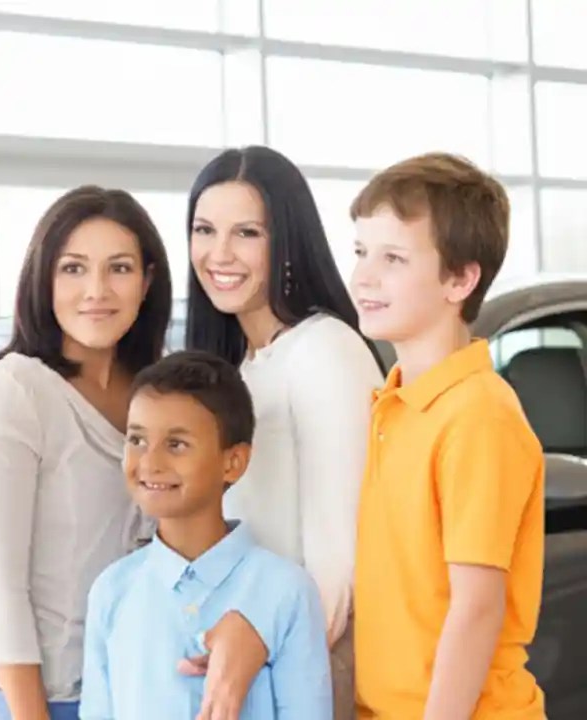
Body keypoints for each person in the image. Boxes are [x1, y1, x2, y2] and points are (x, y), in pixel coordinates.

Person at [179, 145, 384, 719]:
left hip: (299, 672)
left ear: (287, 242)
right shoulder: (235, 365)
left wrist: (261, 646)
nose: (219, 254)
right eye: (204, 229)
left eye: (247, 232)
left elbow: (339, 565)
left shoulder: (326, 350)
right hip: (239, 667)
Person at [0, 185, 173, 719]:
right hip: (26, 703)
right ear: (44, 279)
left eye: (119, 268)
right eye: (73, 269)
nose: (96, 290)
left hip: (128, 696)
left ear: (146, 282)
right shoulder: (14, 390)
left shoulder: (161, 396)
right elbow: (1, 589)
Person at [349, 152, 545, 718]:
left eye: (394, 258)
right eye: (361, 252)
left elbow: (476, 609)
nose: (364, 276)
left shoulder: (479, 414)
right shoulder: (394, 402)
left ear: (460, 278)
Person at [80, 350, 333, 719]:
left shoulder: (287, 592)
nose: (150, 462)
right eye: (136, 441)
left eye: (176, 444)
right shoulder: (111, 591)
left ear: (233, 462)